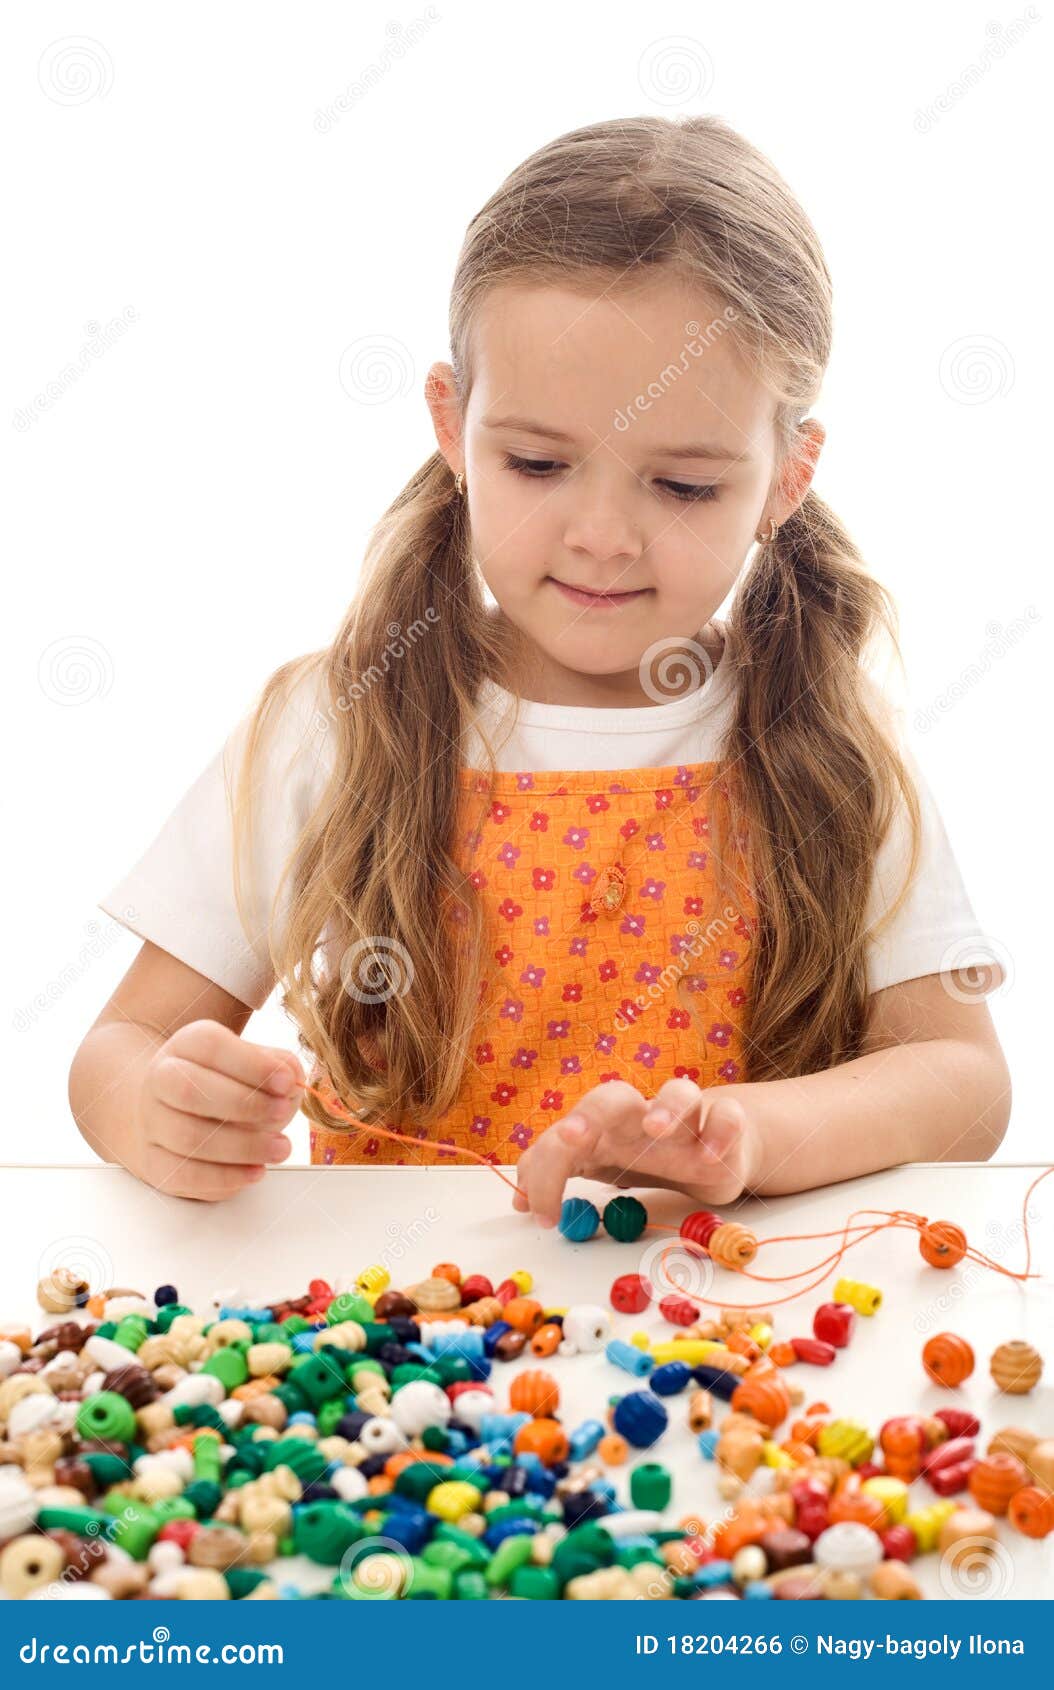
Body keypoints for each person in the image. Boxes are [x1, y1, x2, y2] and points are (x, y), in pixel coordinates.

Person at [70, 115, 1010, 1222]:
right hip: (395, 1356)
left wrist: (751, 1133)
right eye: (537, 462)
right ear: (451, 426)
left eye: (684, 486)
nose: (602, 535)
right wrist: (157, 1107)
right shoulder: (332, 720)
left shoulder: (835, 741)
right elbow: (116, 1047)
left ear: (784, 479)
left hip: (715, 1342)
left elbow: (964, 1082)